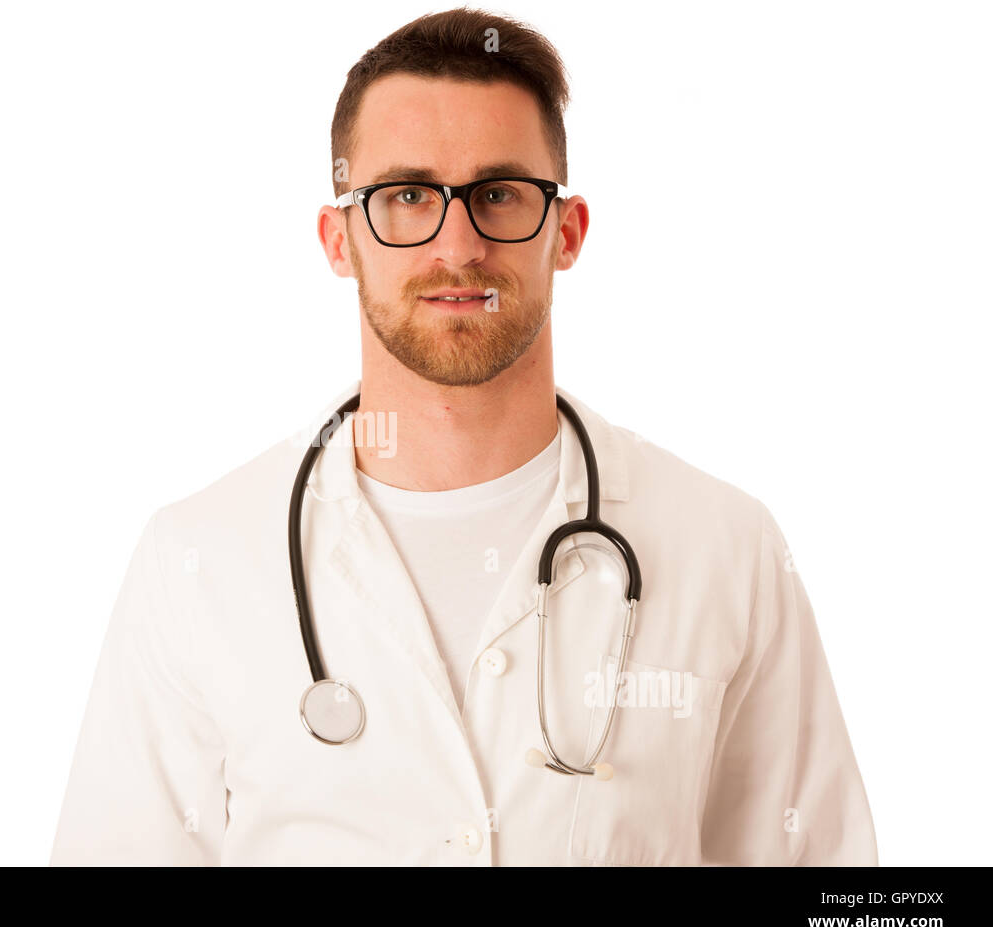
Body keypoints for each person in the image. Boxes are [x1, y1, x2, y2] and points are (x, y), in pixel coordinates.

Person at [50, 6, 877, 866]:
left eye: (498, 194)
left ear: (568, 232)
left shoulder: (725, 547)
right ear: (340, 240)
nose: (459, 244)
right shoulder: (198, 559)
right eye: (406, 195)